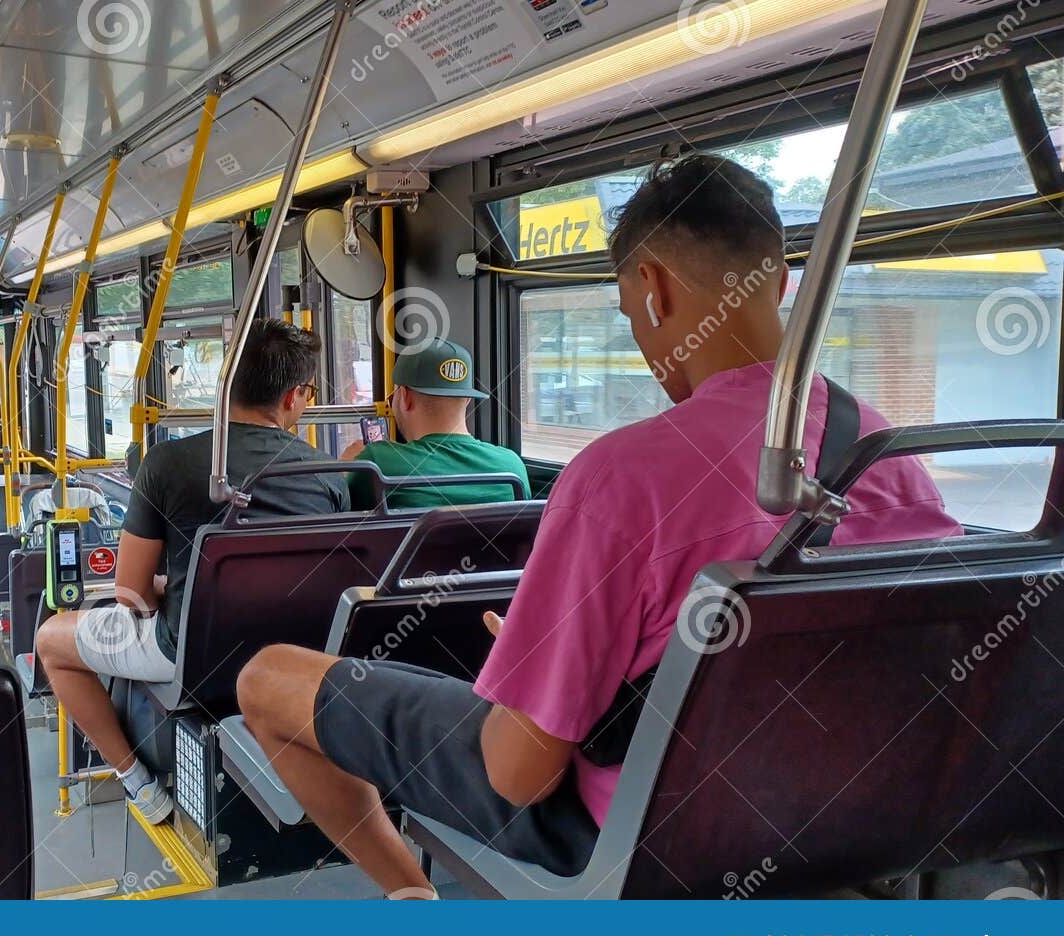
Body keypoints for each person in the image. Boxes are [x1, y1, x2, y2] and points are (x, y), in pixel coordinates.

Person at [235, 154, 961, 897]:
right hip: (850, 822)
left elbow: (517, 775)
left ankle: (412, 899)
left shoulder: (621, 477)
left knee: (268, 678)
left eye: (626, 313)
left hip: (642, 835)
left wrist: (528, 671)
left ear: (652, 289)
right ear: (779, 284)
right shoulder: (889, 452)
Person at [37, 317, 349, 824]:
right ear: (294, 396)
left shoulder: (167, 463)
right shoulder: (330, 474)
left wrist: (173, 589)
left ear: (228, 385)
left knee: (52, 639)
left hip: (191, 653)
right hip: (299, 651)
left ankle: (138, 783)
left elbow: (129, 592)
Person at [340, 339, 530, 509]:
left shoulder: (376, 463)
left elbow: (340, 518)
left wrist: (342, 471)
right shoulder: (512, 466)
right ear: (467, 400)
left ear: (405, 397)